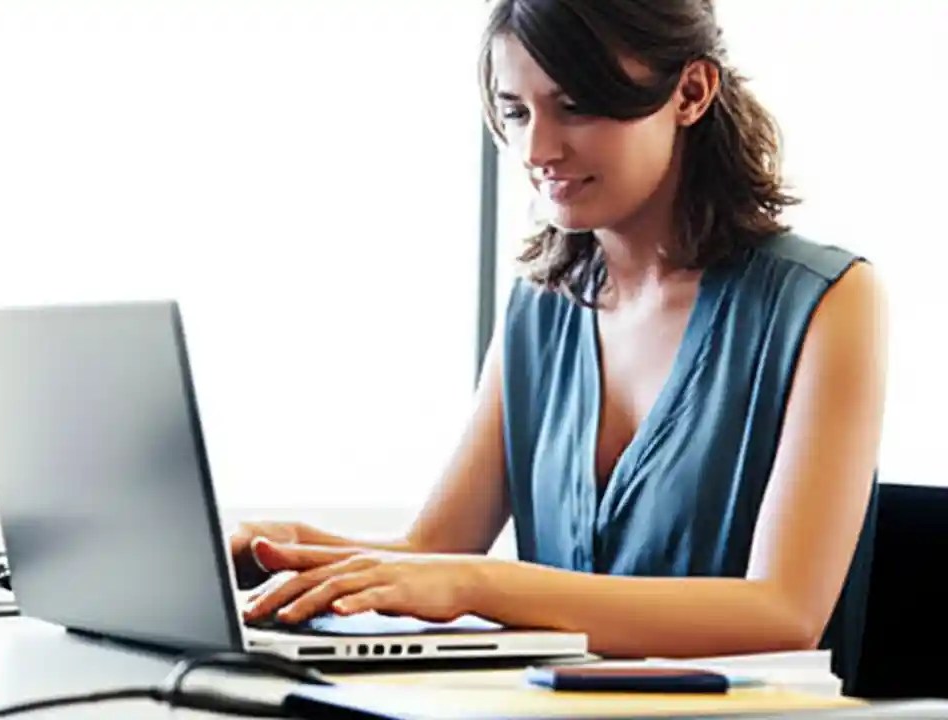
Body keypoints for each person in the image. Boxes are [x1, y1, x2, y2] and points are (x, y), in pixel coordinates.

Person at [233, 0, 887, 691]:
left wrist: (479, 584)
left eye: (574, 106)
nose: (536, 150)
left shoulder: (827, 300)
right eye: (515, 112)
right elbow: (435, 553)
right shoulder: (540, 307)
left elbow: (782, 612)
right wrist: (282, 550)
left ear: (690, 92)